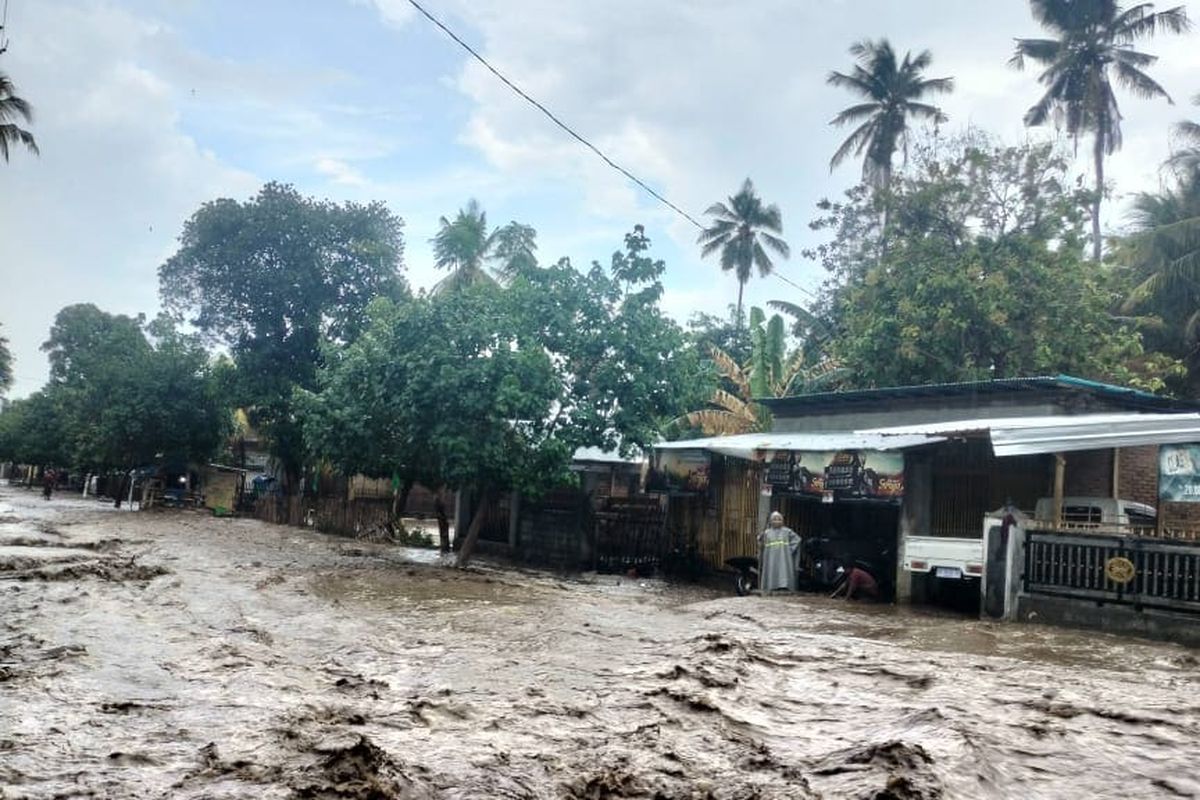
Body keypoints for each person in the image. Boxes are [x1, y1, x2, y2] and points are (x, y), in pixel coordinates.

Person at [758, 511, 801, 593]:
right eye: (774, 519)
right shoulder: (767, 533)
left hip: (783, 558)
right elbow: (761, 543)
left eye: (779, 519)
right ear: (770, 521)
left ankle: (784, 585)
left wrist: (789, 550)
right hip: (771, 558)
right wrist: (760, 538)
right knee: (771, 571)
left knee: (783, 571)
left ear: (782, 521)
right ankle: (770, 586)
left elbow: (797, 540)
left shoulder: (787, 531)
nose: (777, 521)